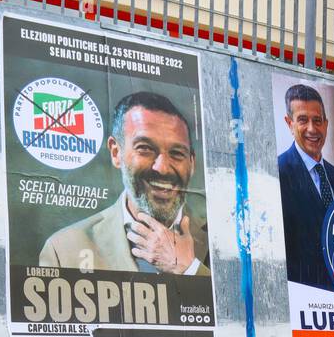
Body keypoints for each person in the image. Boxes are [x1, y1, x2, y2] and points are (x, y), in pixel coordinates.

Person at [38, 92, 209, 275]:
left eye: (176, 153)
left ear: (192, 163)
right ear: (115, 152)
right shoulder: (64, 250)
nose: (163, 168)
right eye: (145, 148)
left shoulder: (224, 240)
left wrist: (190, 269)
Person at [277, 83, 334, 290]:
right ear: (289, 124)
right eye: (302, 120)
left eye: (317, 121)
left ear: (326, 124)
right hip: (302, 297)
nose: (312, 129)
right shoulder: (279, 173)